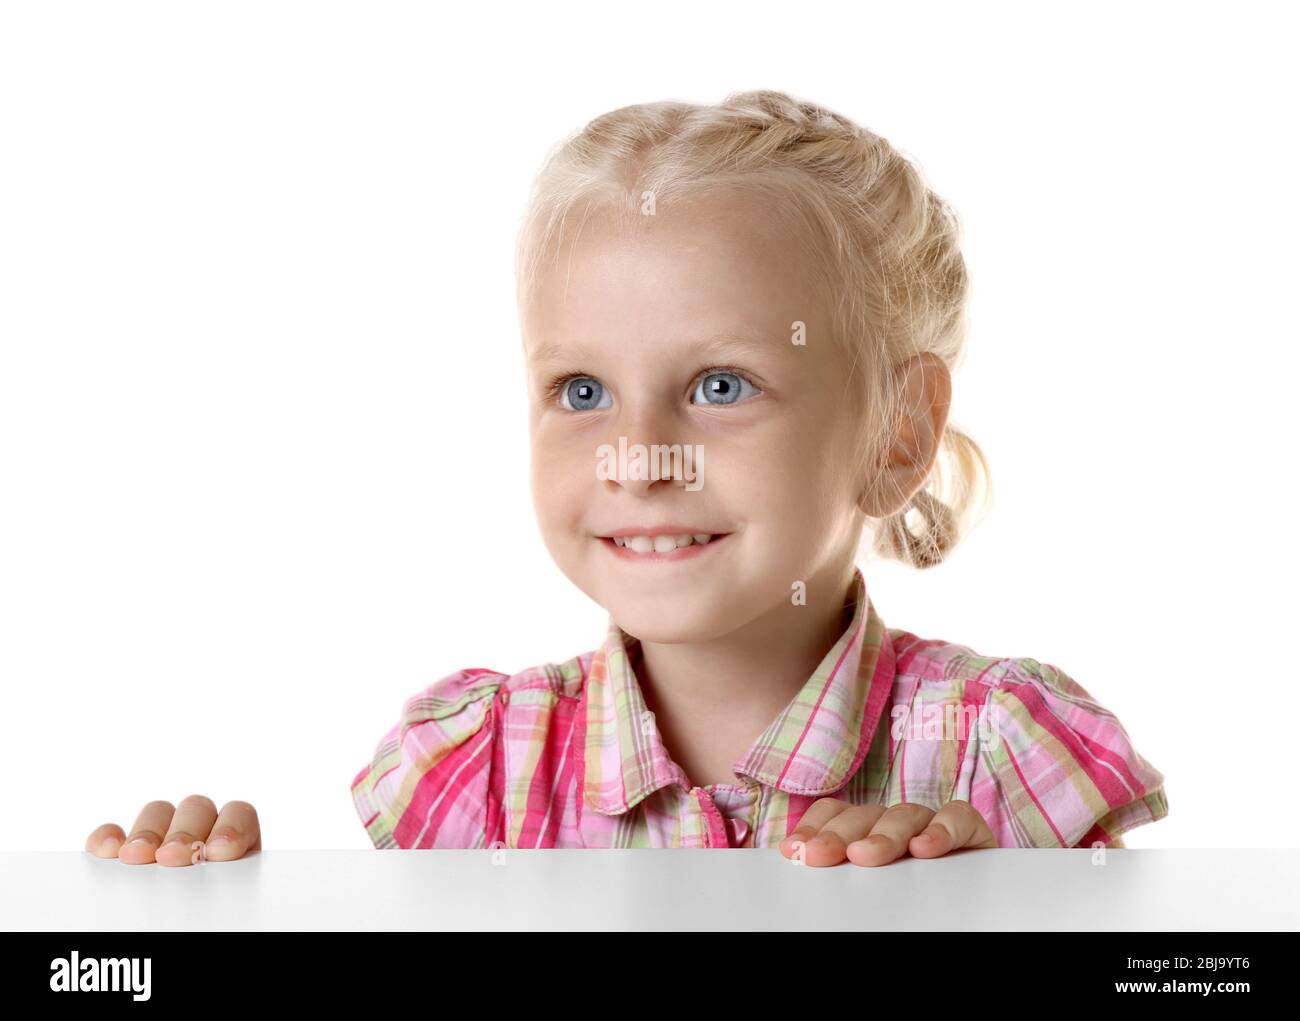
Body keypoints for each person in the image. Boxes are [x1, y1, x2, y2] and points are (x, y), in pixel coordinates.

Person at [85, 90, 1167, 869]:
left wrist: (1004, 902)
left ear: (895, 433)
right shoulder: (478, 769)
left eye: (720, 384)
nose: (638, 458)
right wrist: (199, 916)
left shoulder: (1000, 755)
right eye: (584, 393)